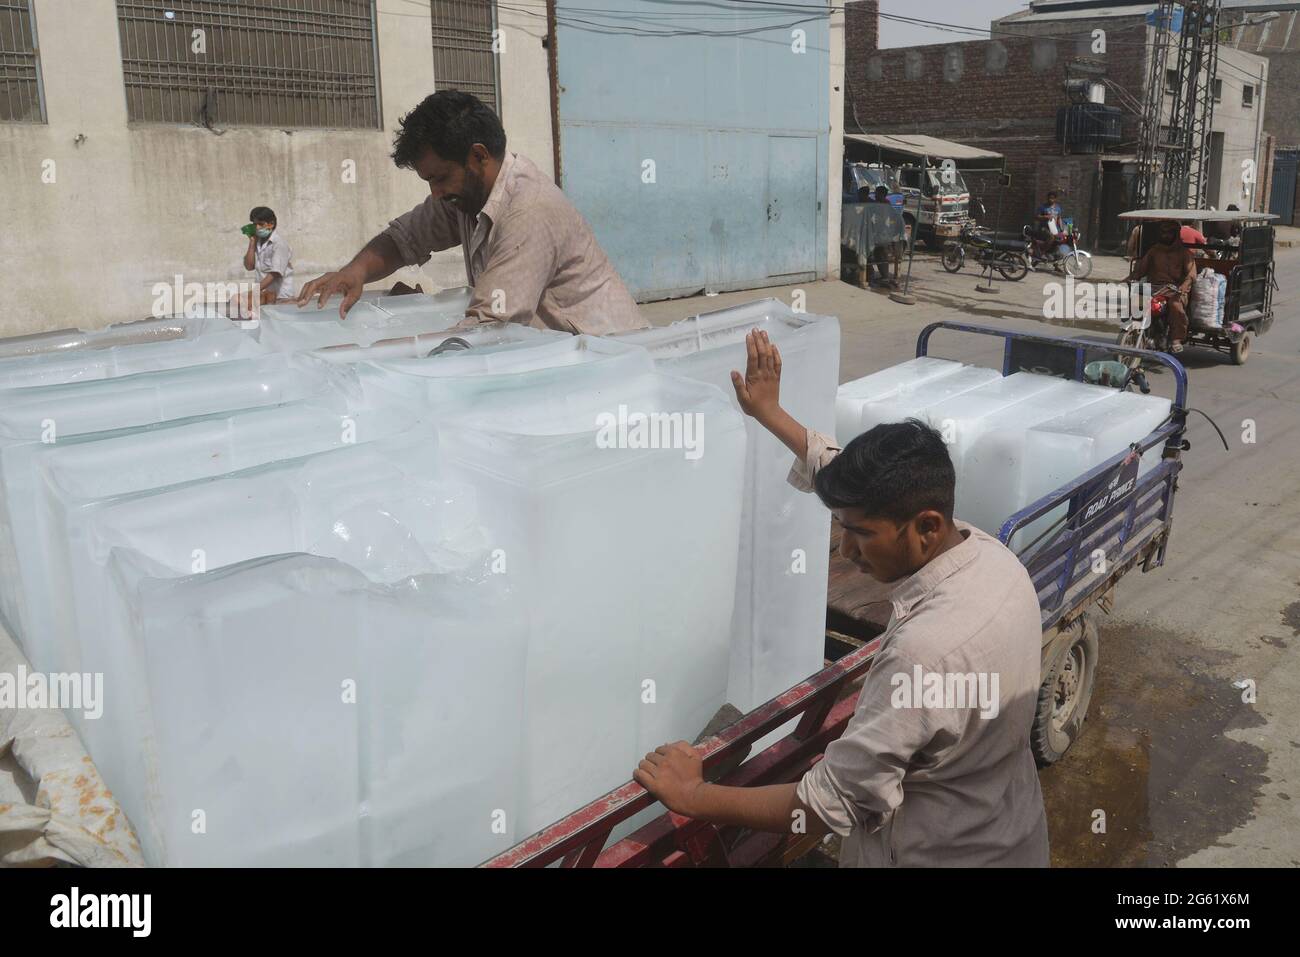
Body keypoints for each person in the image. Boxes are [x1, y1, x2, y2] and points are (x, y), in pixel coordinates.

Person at [634, 331, 1051, 867]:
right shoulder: (992, 556)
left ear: (925, 526)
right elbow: (838, 475)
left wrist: (693, 796)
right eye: (839, 526)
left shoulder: (925, 654)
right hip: (1009, 834)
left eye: (860, 533)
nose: (846, 548)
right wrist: (769, 413)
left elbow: (826, 805)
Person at [297, 91, 646, 335]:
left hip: (611, 364)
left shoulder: (530, 211)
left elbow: (488, 328)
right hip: (561, 358)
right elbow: (405, 239)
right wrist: (354, 271)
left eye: (440, 177)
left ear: (478, 156)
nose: (434, 192)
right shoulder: (465, 197)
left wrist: (390, 346)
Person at [1125, 219, 1196, 353]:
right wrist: (1130, 278)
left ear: (1175, 234)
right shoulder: (1154, 251)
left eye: (1169, 233)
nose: (1165, 235)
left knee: (1175, 306)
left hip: (1175, 290)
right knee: (1136, 299)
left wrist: (1184, 285)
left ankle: (1176, 338)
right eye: (1163, 232)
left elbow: (1191, 274)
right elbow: (1141, 270)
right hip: (1154, 288)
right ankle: (1137, 329)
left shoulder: (1184, 253)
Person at [242, 206, 295, 304]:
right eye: (255, 224)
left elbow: (275, 273)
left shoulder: (279, 244)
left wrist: (254, 292)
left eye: (261, 224)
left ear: (271, 224)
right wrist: (252, 242)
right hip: (265, 297)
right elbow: (249, 266)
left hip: (281, 297)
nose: (257, 227)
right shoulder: (258, 243)